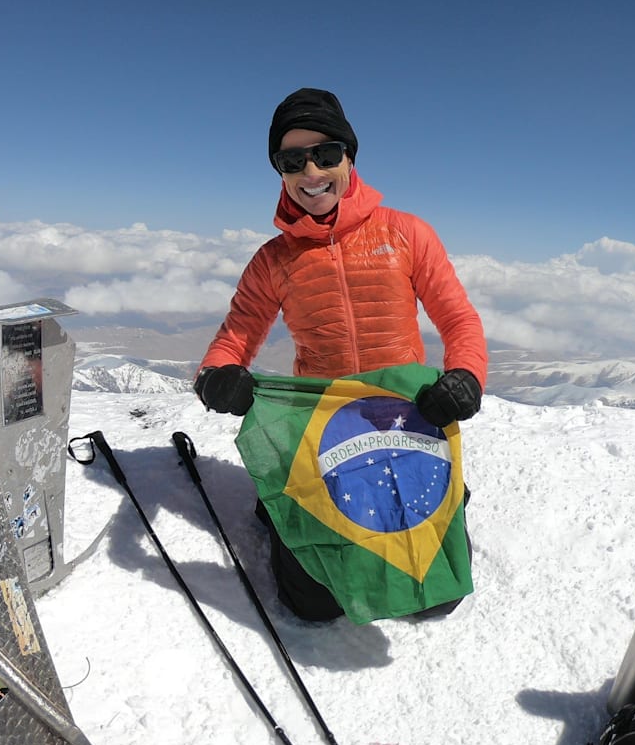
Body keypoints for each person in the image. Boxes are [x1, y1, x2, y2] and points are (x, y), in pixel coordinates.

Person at [195, 87, 488, 620]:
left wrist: (465, 375)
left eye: (326, 154)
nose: (311, 171)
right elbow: (236, 335)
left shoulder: (406, 233)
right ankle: (284, 501)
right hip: (324, 424)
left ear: (350, 157)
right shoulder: (274, 260)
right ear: (280, 172)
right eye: (292, 160)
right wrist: (218, 376)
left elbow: (458, 319)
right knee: (314, 605)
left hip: (407, 421)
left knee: (437, 598)